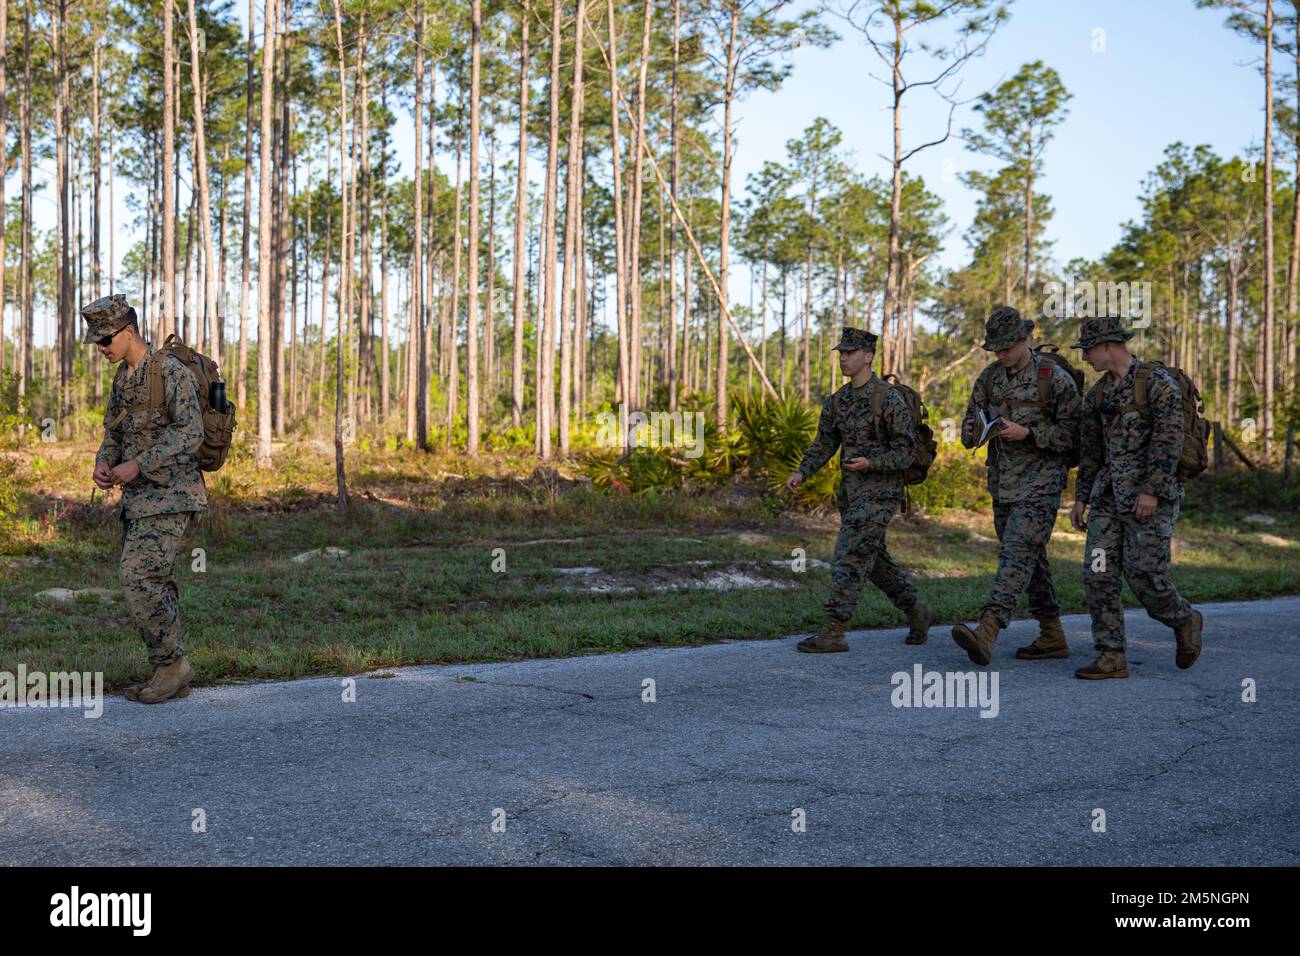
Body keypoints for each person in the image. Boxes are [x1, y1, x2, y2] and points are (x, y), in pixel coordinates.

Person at [85, 294, 206, 703]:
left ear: (129, 330)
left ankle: (172, 664)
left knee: (138, 576)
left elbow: (192, 433)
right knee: (156, 581)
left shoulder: (169, 371)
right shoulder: (123, 380)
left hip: (173, 495)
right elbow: (113, 434)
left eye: (105, 340)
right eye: (97, 342)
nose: (101, 348)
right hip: (141, 502)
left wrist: (138, 464)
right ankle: (170, 672)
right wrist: (105, 462)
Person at [1069, 315, 1203, 680]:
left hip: (1149, 500)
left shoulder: (1157, 384)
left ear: (1109, 346)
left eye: (1088, 350)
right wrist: (1081, 498)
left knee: (1144, 575)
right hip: (1108, 499)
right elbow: (1091, 452)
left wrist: (1152, 491)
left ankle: (1184, 619)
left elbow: (1168, 440)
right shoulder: (1098, 394)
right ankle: (1110, 654)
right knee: (1097, 573)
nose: (1085, 358)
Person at [786, 327, 935, 653]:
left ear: (868, 356)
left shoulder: (888, 398)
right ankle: (916, 610)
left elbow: (906, 451)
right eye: (841, 353)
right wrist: (802, 472)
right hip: (851, 494)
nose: (844, 358)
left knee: (850, 554)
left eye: (850, 353)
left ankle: (833, 631)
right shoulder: (838, 401)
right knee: (874, 560)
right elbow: (824, 442)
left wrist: (871, 462)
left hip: (882, 493)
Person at [951, 306, 1081, 666]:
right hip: (1003, 484)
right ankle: (1052, 635)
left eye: (1007, 347)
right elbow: (971, 417)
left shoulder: (1051, 378)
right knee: (1029, 559)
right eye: (996, 349)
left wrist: (1030, 434)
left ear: (1026, 339)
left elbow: (1076, 436)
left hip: (1041, 485)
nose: (1001, 355)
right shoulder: (991, 377)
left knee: (1015, 556)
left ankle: (988, 630)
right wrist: (971, 431)